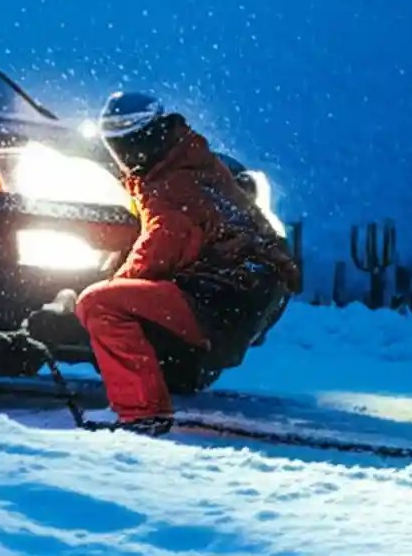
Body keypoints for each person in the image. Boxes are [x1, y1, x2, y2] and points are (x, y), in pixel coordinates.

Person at [68, 92, 300, 435]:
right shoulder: (192, 159)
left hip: (220, 298)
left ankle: (143, 413)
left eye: (126, 142)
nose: (123, 152)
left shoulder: (170, 182)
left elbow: (161, 247)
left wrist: (104, 290)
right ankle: (171, 378)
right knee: (132, 296)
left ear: (146, 135)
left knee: (99, 303)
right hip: (249, 288)